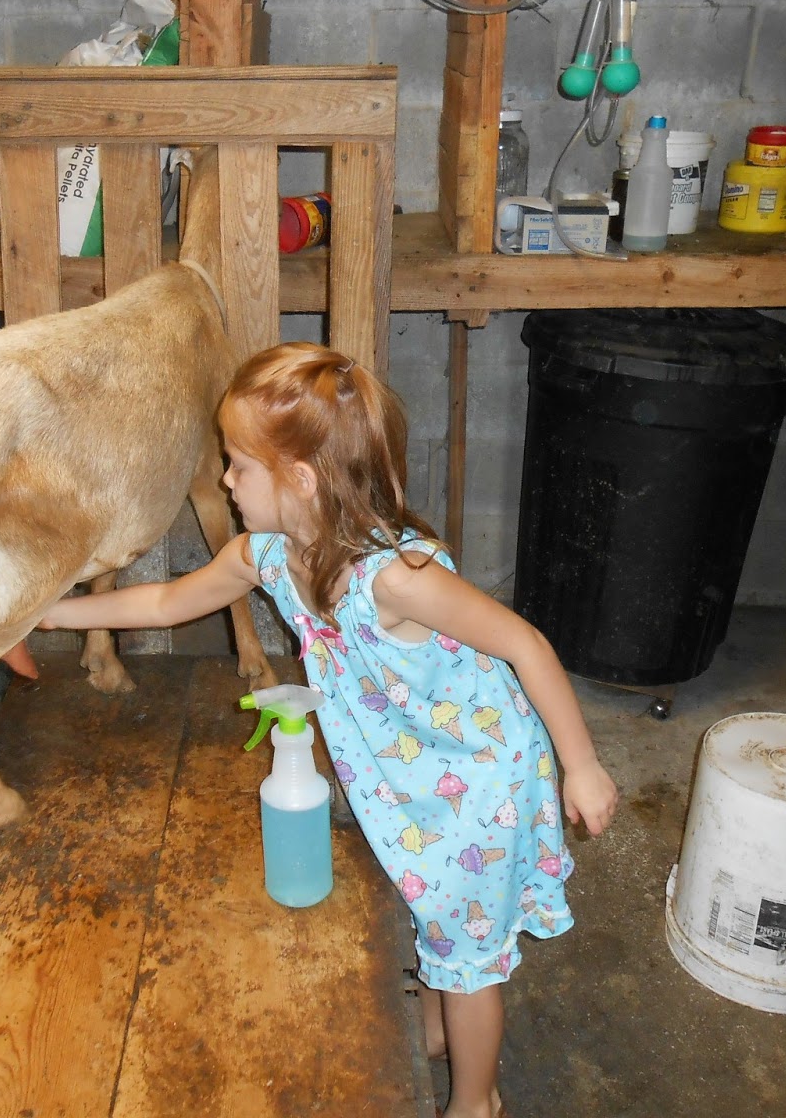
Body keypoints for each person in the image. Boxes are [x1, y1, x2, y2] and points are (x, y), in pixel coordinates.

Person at [41, 341, 618, 1118]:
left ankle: (475, 1103)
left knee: (470, 960)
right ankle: (438, 1031)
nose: (223, 481)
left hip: (483, 780)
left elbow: (525, 643)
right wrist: (48, 609)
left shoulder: (396, 578)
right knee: (434, 915)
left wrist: (581, 766)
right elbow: (162, 603)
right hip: (406, 775)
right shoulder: (267, 556)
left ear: (299, 481)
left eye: (237, 464)